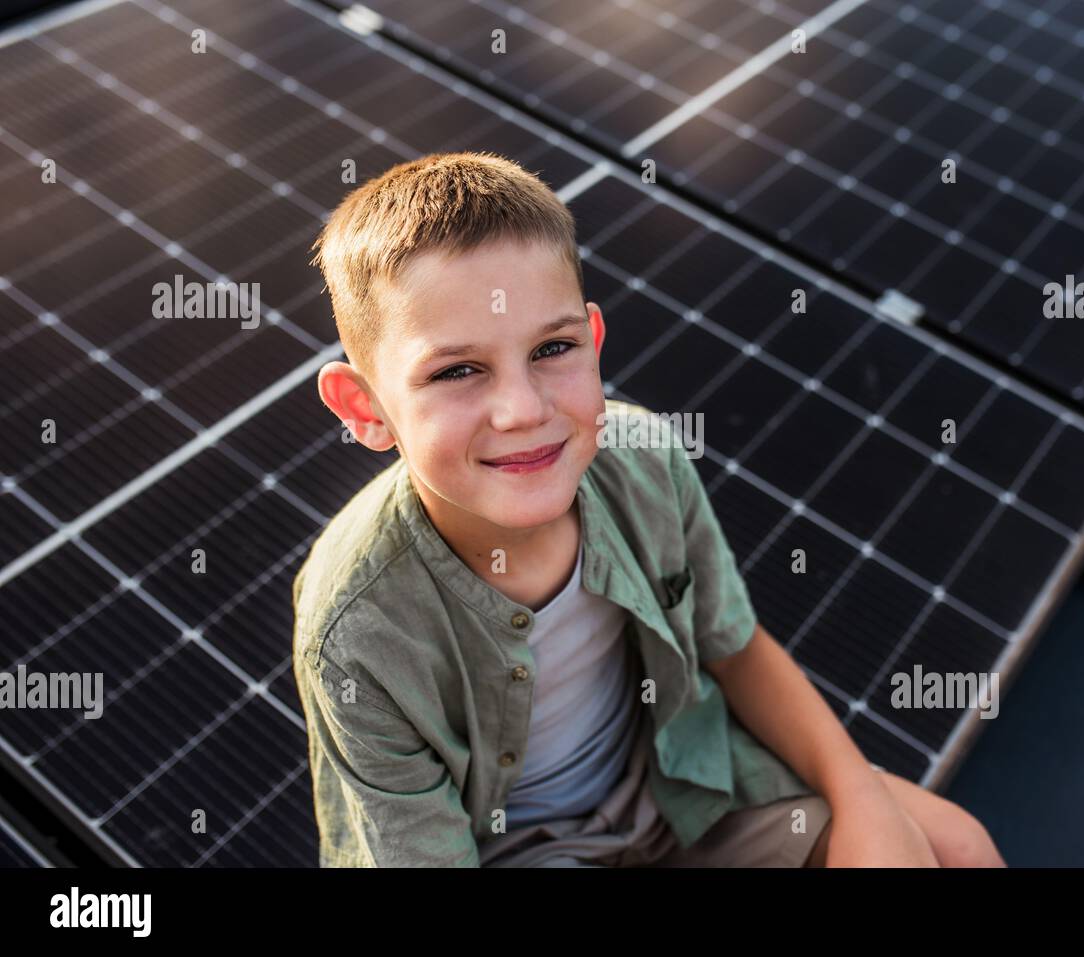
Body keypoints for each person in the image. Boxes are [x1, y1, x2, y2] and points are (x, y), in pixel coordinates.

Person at [291, 150, 1006, 868]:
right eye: (457, 370)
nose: (522, 409)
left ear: (594, 343)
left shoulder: (642, 459)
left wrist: (862, 801)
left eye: (552, 348)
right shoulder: (356, 629)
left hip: (678, 785)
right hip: (520, 851)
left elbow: (737, 648)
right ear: (365, 407)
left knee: (957, 847)